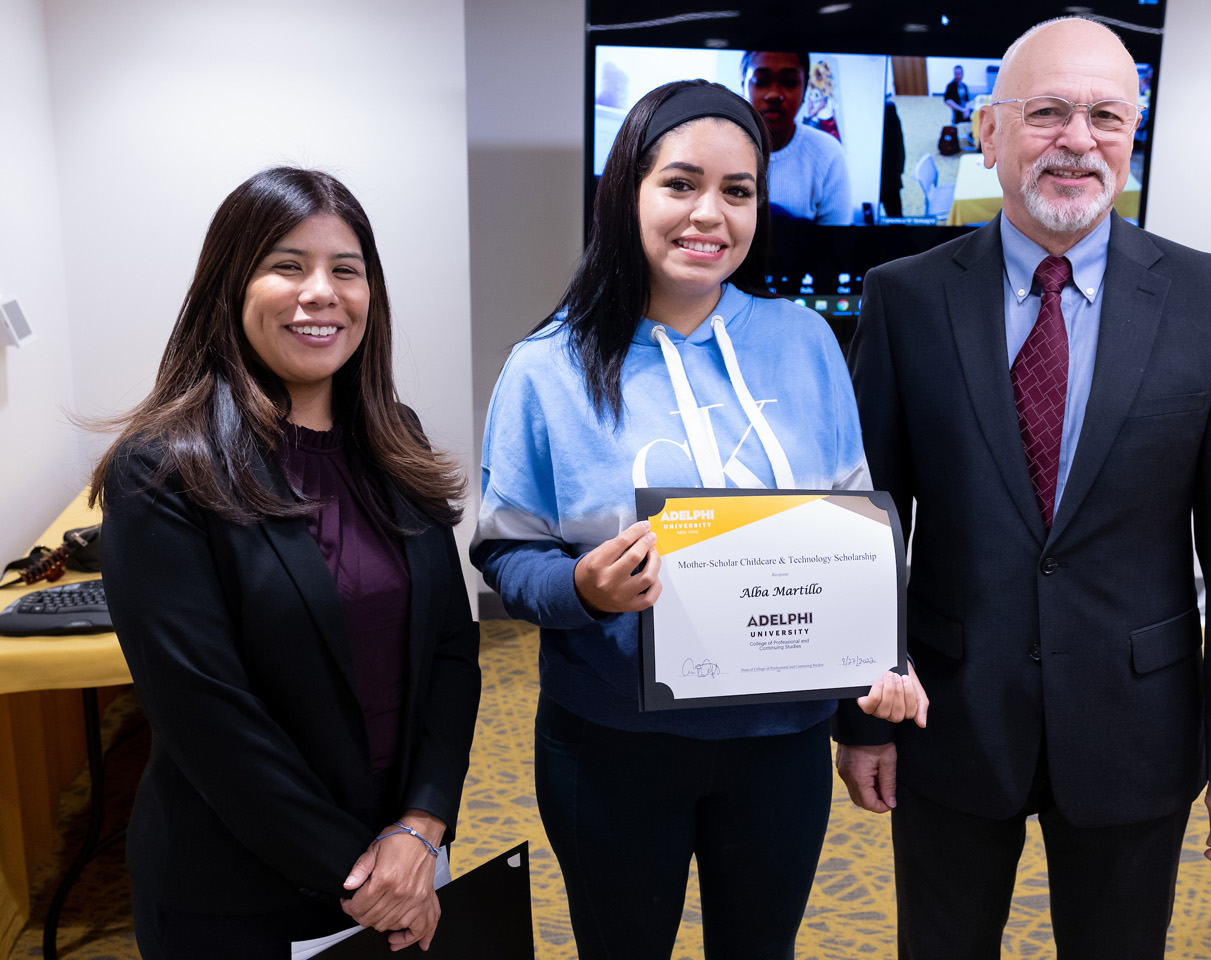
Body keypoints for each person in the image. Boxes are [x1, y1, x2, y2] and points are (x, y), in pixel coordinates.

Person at [835, 18, 1211, 960]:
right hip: (948, 719)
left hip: (1139, 729)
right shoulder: (905, 300)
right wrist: (859, 713)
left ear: (1131, 137)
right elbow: (868, 527)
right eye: (1047, 113)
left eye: (1104, 116)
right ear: (991, 135)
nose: (1078, 140)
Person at [472, 79, 925, 959]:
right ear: (627, 193)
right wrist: (583, 588)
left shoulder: (806, 343)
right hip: (614, 740)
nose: (708, 213)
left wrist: (883, 662)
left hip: (780, 745)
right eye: (680, 184)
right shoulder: (546, 368)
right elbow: (505, 554)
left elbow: (858, 533)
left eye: (737, 190)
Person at [93, 168, 481, 958]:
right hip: (240, 890)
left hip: (402, 855)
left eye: (346, 269)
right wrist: (364, 875)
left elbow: (450, 648)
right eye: (286, 265)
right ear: (230, 285)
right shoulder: (163, 469)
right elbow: (210, 721)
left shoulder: (392, 438)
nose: (321, 293)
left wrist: (421, 825)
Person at [741, 50, 852, 225]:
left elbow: (835, 245)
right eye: (761, 81)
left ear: (805, 88)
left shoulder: (829, 154)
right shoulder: (717, 149)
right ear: (743, 85)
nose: (774, 95)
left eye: (789, 82)